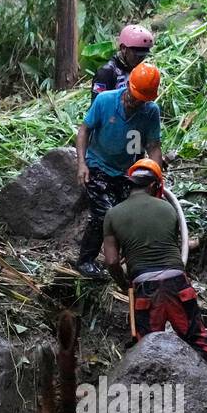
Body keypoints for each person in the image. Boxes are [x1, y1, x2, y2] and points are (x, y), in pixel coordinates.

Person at [102, 159, 207, 364]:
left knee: (146, 349)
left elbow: (111, 261)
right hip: (177, 283)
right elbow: (171, 244)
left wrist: (123, 285)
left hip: (145, 288)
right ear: (153, 185)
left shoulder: (112, 214)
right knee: (200, 343)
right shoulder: (168, 209)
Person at [76, 62, 162, 277]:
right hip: (98, 165)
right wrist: (81, 164)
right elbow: (84, 130)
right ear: (128, 86)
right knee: (104, 214)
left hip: (128, 171)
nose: (136, 102)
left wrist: (155, 177)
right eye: (134, 96)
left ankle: (126, 263)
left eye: (142, 100)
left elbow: (153, 147)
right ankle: (85, 261)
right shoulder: (105, 101)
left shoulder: (150, 112)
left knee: (129, 216)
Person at [93, 24, 154, 95]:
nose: (139, 60)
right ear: (123, 48)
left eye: (143, 56)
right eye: (136, 55)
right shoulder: (106, 72)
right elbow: (97, 103)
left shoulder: (141, 70)